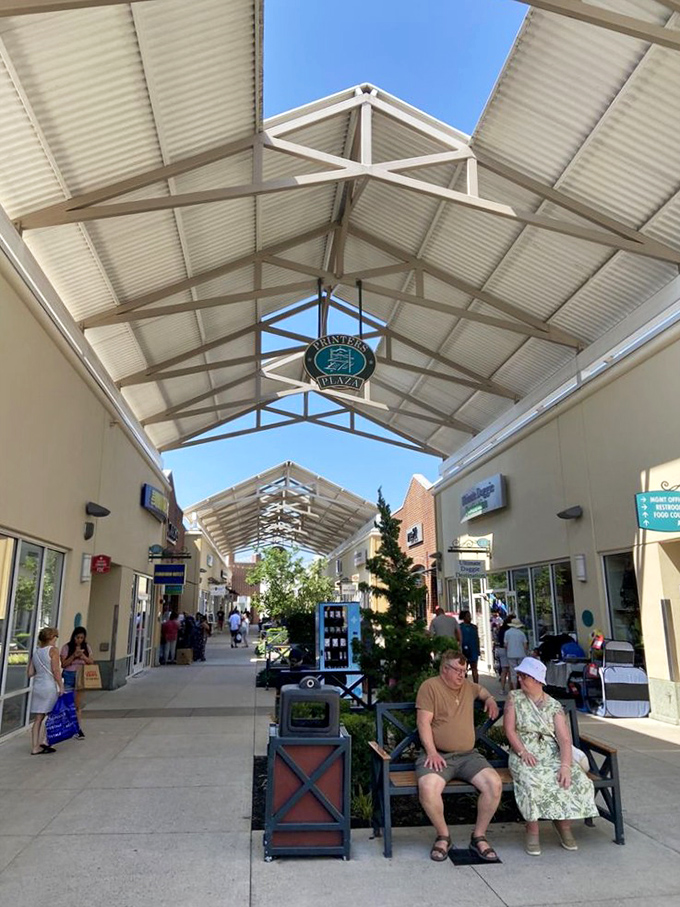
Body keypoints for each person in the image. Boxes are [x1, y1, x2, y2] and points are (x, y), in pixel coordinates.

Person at [504, 656, 598, 855]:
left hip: (550, 751)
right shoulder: (515, 698)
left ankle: (564, 825)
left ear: (537, 680)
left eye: (524, 676)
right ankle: (532, 828)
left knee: (571, 778)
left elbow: (564, 739)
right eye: (520, 675)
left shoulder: (553, 705)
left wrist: (565, 766)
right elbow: (510, 730)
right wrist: (522, 752)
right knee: (532, 779)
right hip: (524, 751)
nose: (520, 679)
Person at [416, 650, 501, 862]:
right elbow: (423, 722)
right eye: (457, 670)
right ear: (445, 669)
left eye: (464, 671)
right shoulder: (430, 687)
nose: (462, 675)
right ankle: (443, 836)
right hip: (439, 755)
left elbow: (481, 690)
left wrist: (490, 699)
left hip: (468, 756)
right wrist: (432, 752)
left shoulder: (467, 687)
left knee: (494, 784)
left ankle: (479, 836)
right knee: (428, 787)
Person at [28, 626, 64, 755]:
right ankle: (46, 741)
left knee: (38, 718)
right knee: (52, 715)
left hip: (38, 686)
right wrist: (61, 686)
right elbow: (56, 671)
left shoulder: (36, 652)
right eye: (56, 637)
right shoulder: (53, 650)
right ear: (52, 638)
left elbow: (30, 672)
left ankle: (35, 747)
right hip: (49, 687)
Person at [60, 626, 94, 737]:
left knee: (77, 704)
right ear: (73, 637)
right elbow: (63, 664)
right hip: (69, 674)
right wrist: (74, 655)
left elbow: (91, 662)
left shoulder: (87, 647)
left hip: (81, 675)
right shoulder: (66, 647)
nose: (79, 640)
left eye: (81, 638)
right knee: (68, 702)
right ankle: (67, 725)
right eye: (77, 637)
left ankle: (78, 728)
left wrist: (83, 656)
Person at [504, 617, 529, 689]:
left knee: (513, 673)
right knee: (521, 672)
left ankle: (515, 689)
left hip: (511, 654)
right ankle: (522, 687)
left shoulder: (507, 633)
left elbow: (505, 645)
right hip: (521, 654)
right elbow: (525, 645)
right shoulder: (521, 633)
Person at [459, 610, 480, 683]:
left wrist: (478, 650)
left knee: (474, 668)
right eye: (468, 616)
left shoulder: (474, 627)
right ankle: (464, 685)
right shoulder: (460, 627)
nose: (469, 618)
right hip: (463, 651)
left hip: (473, 650)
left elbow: (477, 639)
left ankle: (476, 685)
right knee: (463, 669)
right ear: (463, 617)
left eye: (470, 616)